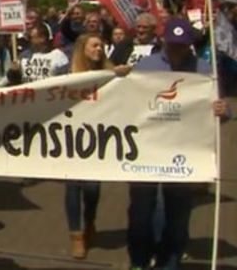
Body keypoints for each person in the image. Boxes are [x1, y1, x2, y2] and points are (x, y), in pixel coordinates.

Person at [125, 18, 229, 270]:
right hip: (147, 151)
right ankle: (139, 260)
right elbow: (127, 102)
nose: (176, 51)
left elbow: (222, 111)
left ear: (189, 44)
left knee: (178, 213)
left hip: (184, 152)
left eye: (181, 46)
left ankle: (169, 261)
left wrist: (222, 110)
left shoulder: (205, 70)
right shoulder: (146, 66)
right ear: (164, 41)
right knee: (140, 213)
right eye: (172, 45)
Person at [64, 33, 123, 259]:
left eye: (101, 46)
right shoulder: (68, 75)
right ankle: (76, 236)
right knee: (72, 187)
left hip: (97, 138)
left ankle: (89, 222)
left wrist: (122, 75)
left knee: (92, 188)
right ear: (83, 49)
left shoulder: (109, 73)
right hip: (71, 138)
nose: (99, 49)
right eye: (94, 45)